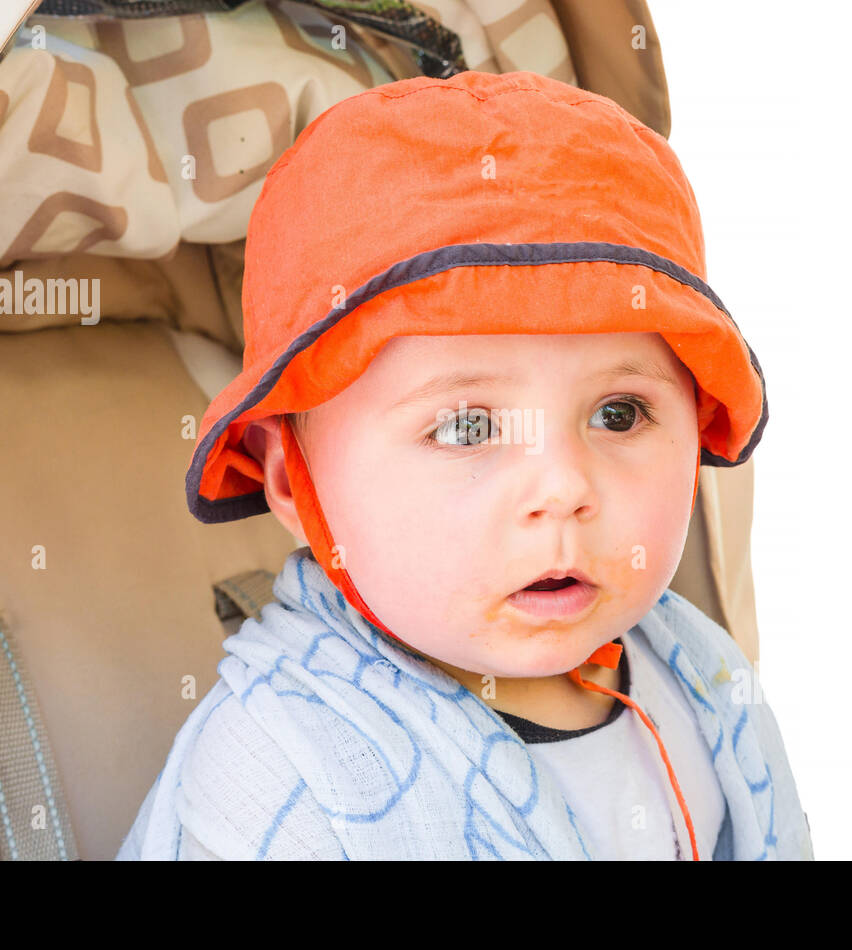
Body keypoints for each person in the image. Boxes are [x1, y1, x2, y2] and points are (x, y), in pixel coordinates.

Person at [117, 69, 812, 861]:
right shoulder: (284, 781)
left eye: (618, 413)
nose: (561, 488)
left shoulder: (704, 686)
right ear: (290, 477)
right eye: (468, 426)